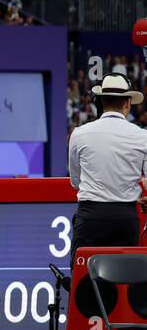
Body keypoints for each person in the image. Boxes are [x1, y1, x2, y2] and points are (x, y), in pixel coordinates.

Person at [66, 74, 147, 255]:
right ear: (127, 103)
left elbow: (75, 181)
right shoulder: (143, 137)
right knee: (125, 279)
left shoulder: (79, 134)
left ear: (100, 101)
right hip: (125, 218)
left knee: (84, 278)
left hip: (90, 216)